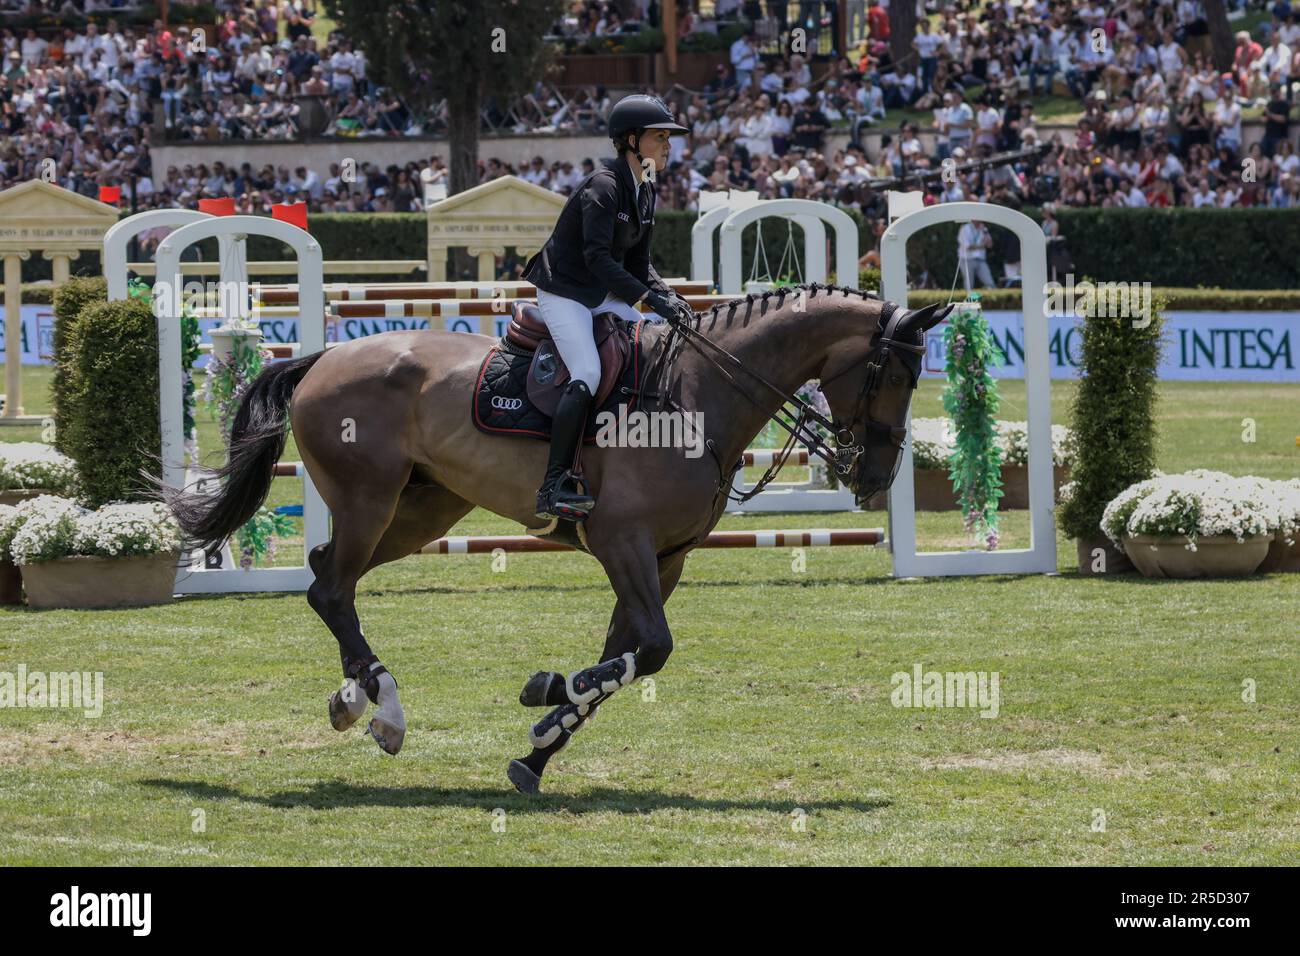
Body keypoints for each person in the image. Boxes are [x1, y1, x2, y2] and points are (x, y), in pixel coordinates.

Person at [521, 95, 691, 522]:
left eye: (669, 137)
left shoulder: (644, 189)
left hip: (601, 292)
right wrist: (650, 299)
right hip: (566, 292)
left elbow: (638, 264)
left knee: (659, 347)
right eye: (660, 137)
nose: (668, 146)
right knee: (587, 371)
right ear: (632, 141)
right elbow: (598, 257)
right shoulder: (605, 186)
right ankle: (554, 483)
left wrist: (668, 297)